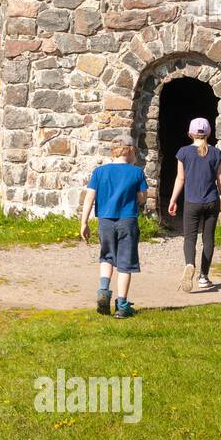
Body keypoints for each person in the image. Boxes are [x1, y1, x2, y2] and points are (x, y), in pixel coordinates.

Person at [80, 135, 148, 319]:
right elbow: (142, 198)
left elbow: (89, 197)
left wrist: (84, 222)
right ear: (131, 151)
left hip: (105, 220)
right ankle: (122, 305)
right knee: (126, 263)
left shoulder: (99, 172)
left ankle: (103, 290)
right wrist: (135, 196)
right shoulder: (137, 173)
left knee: (107, 256)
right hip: (128, 220)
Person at [168, 117, 221, 292]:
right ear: (209, 133)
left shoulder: (183, 152)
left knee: (190, 237)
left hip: (191, 202)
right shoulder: (216, 154)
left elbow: (180, 178)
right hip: (211, 202)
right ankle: (204, 277)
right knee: (208, 238)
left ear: (190, 133)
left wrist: (173, 200)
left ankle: (190, 264)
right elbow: (220, 181)